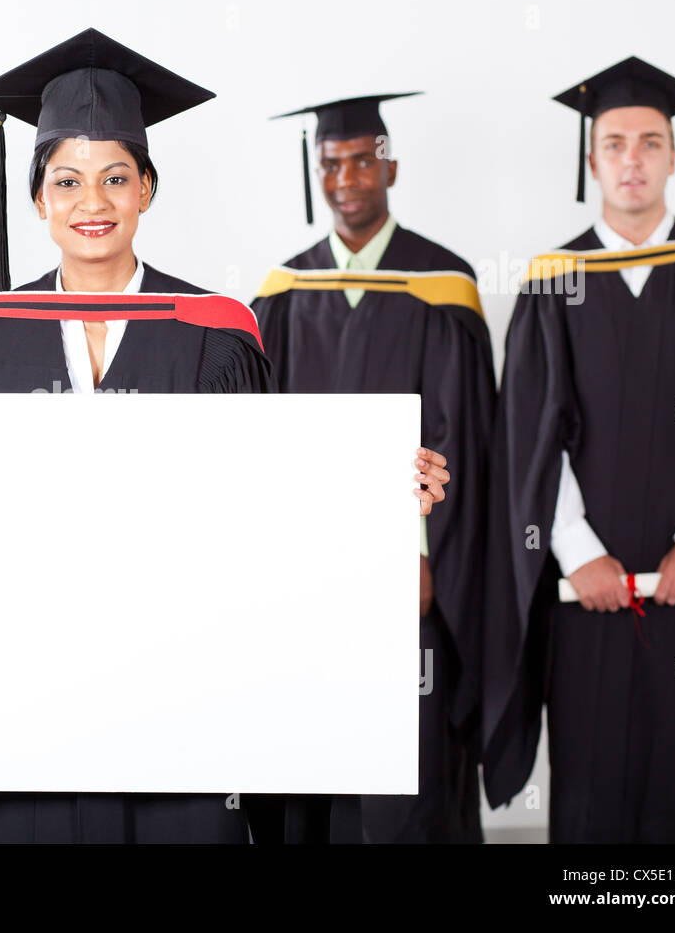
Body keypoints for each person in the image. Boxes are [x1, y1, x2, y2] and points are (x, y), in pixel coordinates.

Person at [0, 29, 453, 844]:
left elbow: (268, 508)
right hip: (16, 718)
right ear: (36, 199)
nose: (90, 203)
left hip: (182, 712)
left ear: (145, 190)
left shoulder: (219, 332)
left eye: (114, 179)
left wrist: (372, 495)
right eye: (66, 181)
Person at [484, 57, 675, 842]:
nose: (633, 157)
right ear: (591, 159)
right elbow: (528, 433)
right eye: (616, 142)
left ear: (671, 155)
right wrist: (577, 551)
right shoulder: (555, 280)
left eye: (651, 142)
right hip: (586, 592)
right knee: (593, 779)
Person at [249, 94, 494, 843]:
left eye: (362, 159)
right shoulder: (283, 293)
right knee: (317, 785)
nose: (347, 177)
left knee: (407, 794)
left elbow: (461, 441)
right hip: (312, 588)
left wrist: (422, 558)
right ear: (316, 174)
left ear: (390, 164)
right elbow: (265, 445)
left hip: (410, 589)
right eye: (332, 163)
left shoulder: (442, 284)